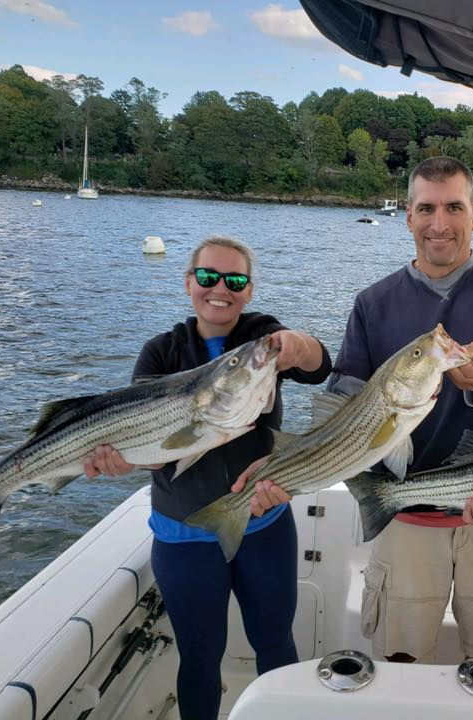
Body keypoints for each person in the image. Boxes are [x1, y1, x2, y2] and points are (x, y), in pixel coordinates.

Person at [243, 156, 473, 665]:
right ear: (408, 216)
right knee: (398, 664)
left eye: (454, 208)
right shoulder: (373, 302)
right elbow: (343, 405)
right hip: (403, 516)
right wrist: (290, 466)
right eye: (426, 209)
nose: (440, 223)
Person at [83, 236, 332, 720]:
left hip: (263, 524)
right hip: (185, 534)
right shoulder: (161, 353)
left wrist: (300, 346)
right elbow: (151, 449)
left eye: (235, 280)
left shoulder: (261, 337)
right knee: (199, 657)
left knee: (275, 642)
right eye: (208, 276)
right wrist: (122, 459)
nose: (221, 289)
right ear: (188, 283)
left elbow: (319, 367)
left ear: (249, 290)